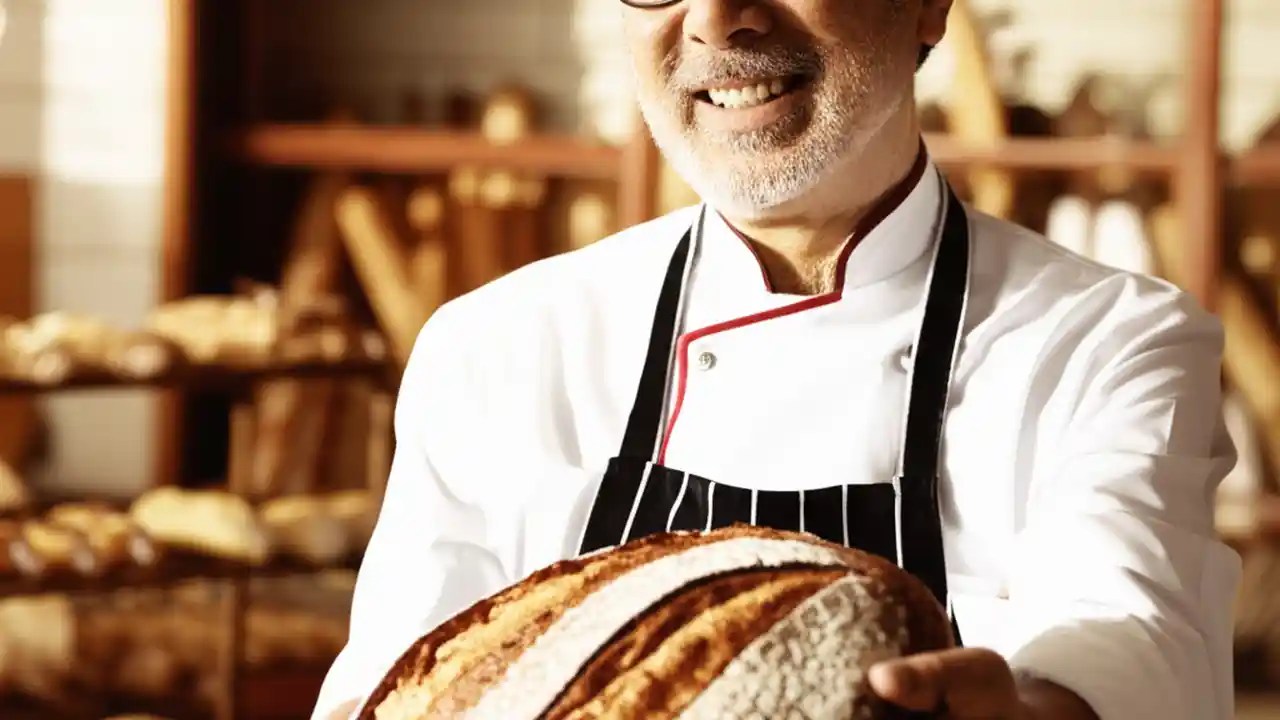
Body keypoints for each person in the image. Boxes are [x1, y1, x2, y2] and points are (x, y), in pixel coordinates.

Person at [313, 1, 1240, 718]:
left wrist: (1030, 707)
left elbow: (1133, 637)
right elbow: (395, 690)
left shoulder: (1106, 342)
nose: (717, 18)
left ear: (926, 3)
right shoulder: (495, 346)